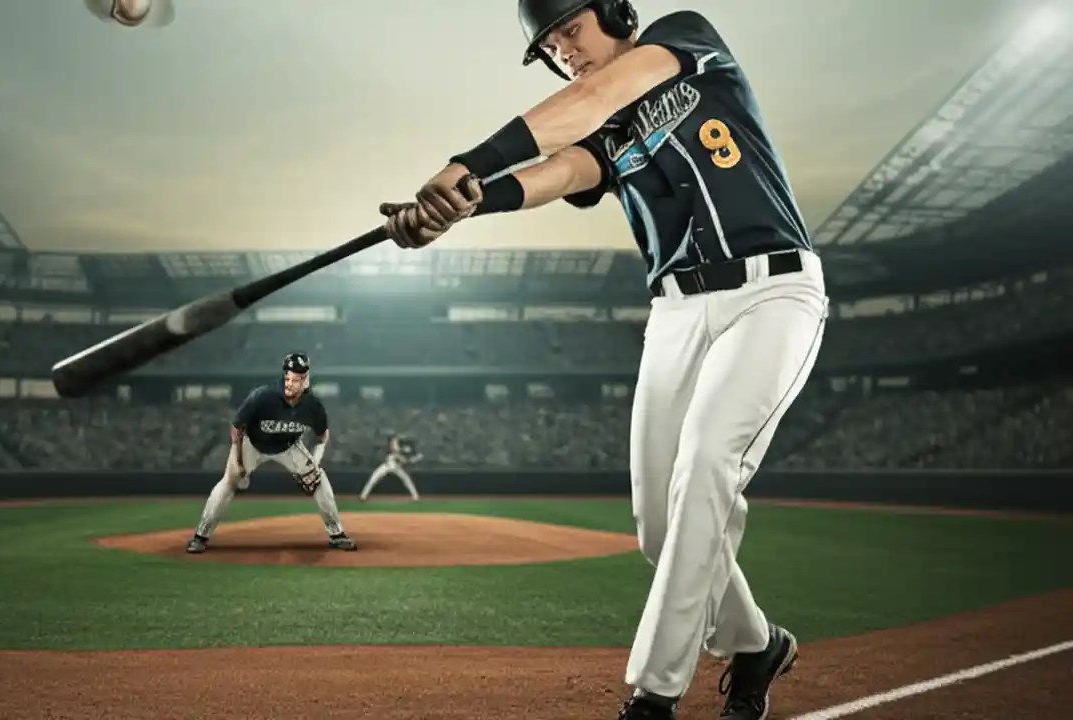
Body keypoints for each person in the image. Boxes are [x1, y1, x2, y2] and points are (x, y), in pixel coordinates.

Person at [380, 2, 827, 718]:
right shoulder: (608, 129)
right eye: (550, 44)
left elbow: (590, 98)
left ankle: (653, 697)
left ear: (614, 9)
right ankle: (755, 643)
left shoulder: (684, 39)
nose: (563, 50)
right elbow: (559, 170)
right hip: (677, 312)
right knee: (657, 522)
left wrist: (463, 164)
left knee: (707, 465)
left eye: (570, 29)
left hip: (770, 292)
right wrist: (462, 203)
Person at [185, 352, 357, 553]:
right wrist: (236, 460)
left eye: (297, 378)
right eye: (289, 377)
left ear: (306, 380)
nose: (291, 383)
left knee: (320, 481)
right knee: (228, 483)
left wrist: (316, 463)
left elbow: (322, 437)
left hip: (288, 447)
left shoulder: (313, 406)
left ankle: (336, 534)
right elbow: (236, 428)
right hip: (253, 444)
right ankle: (200, 536)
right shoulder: (263, 396)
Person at [359, 433, 423, 501]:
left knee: (407, 479)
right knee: (373, 478)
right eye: (393, 440)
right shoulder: (387, 448)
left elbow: (405, 459)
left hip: (397, 467)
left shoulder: (402, 448)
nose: (394, 442)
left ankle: (415, 496)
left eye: (395, 440)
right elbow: (392, 453)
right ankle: (363, 496)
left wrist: (409, 458)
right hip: (387, 465)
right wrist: (404, 456)